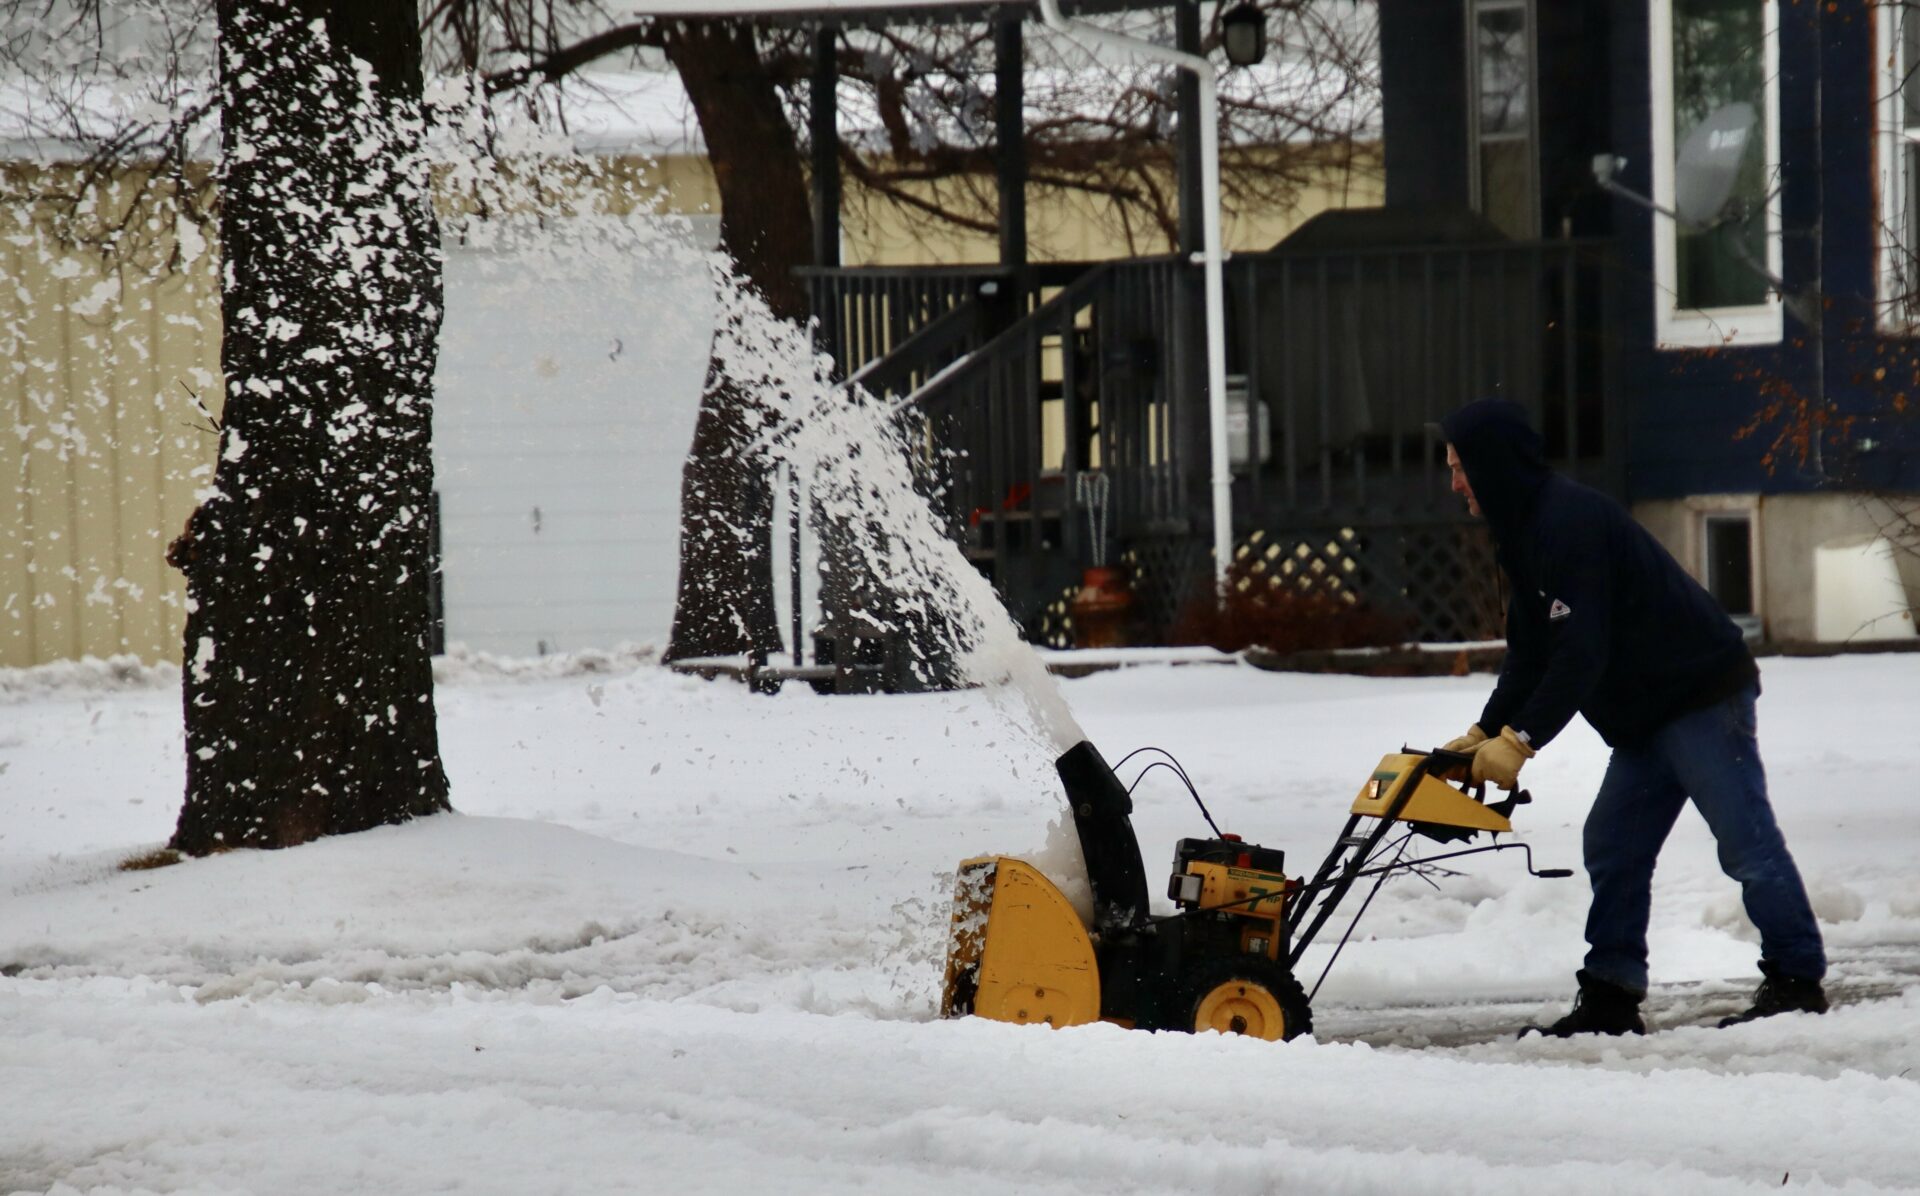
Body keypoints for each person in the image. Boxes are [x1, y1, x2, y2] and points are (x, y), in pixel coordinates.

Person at [1436, 398, 1828, 1035]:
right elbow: (1532, 651)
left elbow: (1581, 650)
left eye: (1459, 467)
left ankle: (1796, 981)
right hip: (1644, 716)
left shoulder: (1569, 522)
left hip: (1699, 693)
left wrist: (1523, 739)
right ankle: (1611, 996)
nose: (1453, 483)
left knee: (1745, 843)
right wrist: (1487, 730)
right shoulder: (1521, 533)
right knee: (1614, 845)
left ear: (1493, 465)